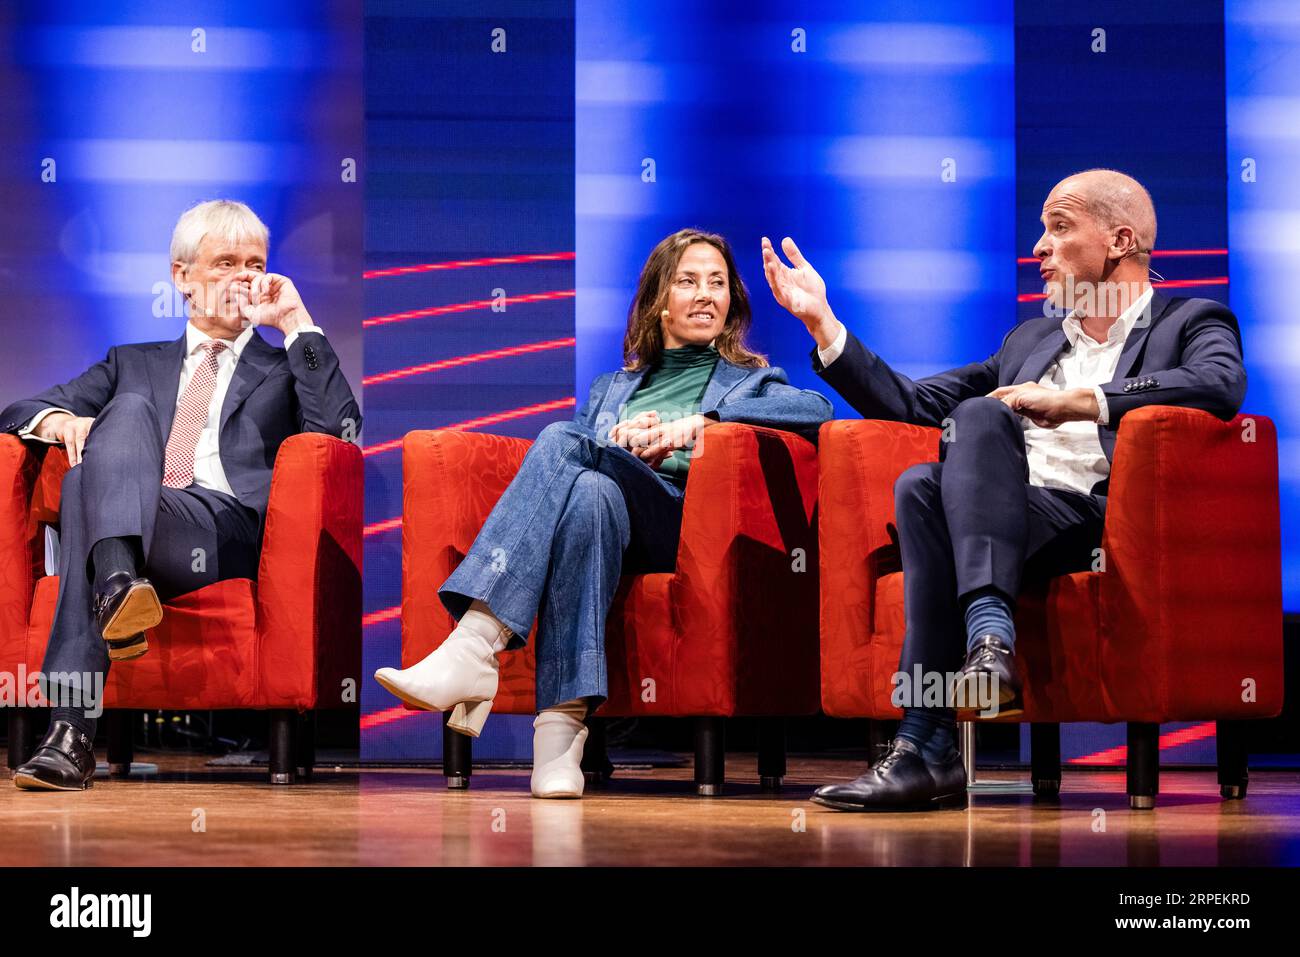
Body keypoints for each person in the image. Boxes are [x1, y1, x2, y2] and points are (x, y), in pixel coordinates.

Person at [762, 169, 1247, 811]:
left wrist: (1081, 401)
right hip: (1003, 514)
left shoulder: (1190, 320)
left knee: (943, 466)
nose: (1038, 247)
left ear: (1121, 239)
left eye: (1059, 227)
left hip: (1100, 522)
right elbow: (914, 402)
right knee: (930, 472)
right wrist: (824, 325)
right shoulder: (1030, 339)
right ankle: (976, 669)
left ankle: (926, 746)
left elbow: (1219, 385)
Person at [375, 228, 833, 798]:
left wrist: (703, 423)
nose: (706, 295)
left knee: (563, 438)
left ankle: (474, 644)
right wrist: (618, 441)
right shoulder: (611, 387)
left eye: (717, 284)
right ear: (659, 298)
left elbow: (816, 411)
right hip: (611, 527)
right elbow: (582, 480)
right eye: (688, 281)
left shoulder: (751, 382)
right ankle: (560, 740)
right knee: (590, 495)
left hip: (680, 529)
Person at [1, 199, 362, 791]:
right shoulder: (132, 362)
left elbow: (340, 429)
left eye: (256, 263)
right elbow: (16, 409)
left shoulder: (281, 367)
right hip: (145, 520)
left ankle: (70, 731)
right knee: (114, 431)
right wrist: (59, 421)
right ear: (181, 277)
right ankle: (120, 585)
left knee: (82, 486)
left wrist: (296, 323)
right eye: (224, 263)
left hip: (225, 533)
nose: (244, 277)